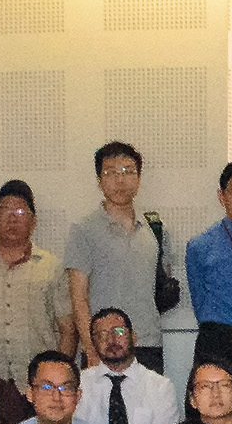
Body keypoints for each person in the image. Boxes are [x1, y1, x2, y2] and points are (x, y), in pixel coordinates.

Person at [64, 143, 187, 376]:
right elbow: (78, 296)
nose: (120, 180)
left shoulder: (154, 229)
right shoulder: (84, 230)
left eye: (128, 171)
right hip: (102, 346)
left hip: (148, 342)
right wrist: (90, 349)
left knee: (148, 410)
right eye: (110, 172)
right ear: (99, 181)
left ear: (139, 179)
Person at [0, 179, 82, 387]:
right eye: (4, 210)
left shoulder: (52, 267)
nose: (12, 218)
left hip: (35, 385)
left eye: (20, 211)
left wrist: (55, 380)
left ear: (33, 221)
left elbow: (68, 329)